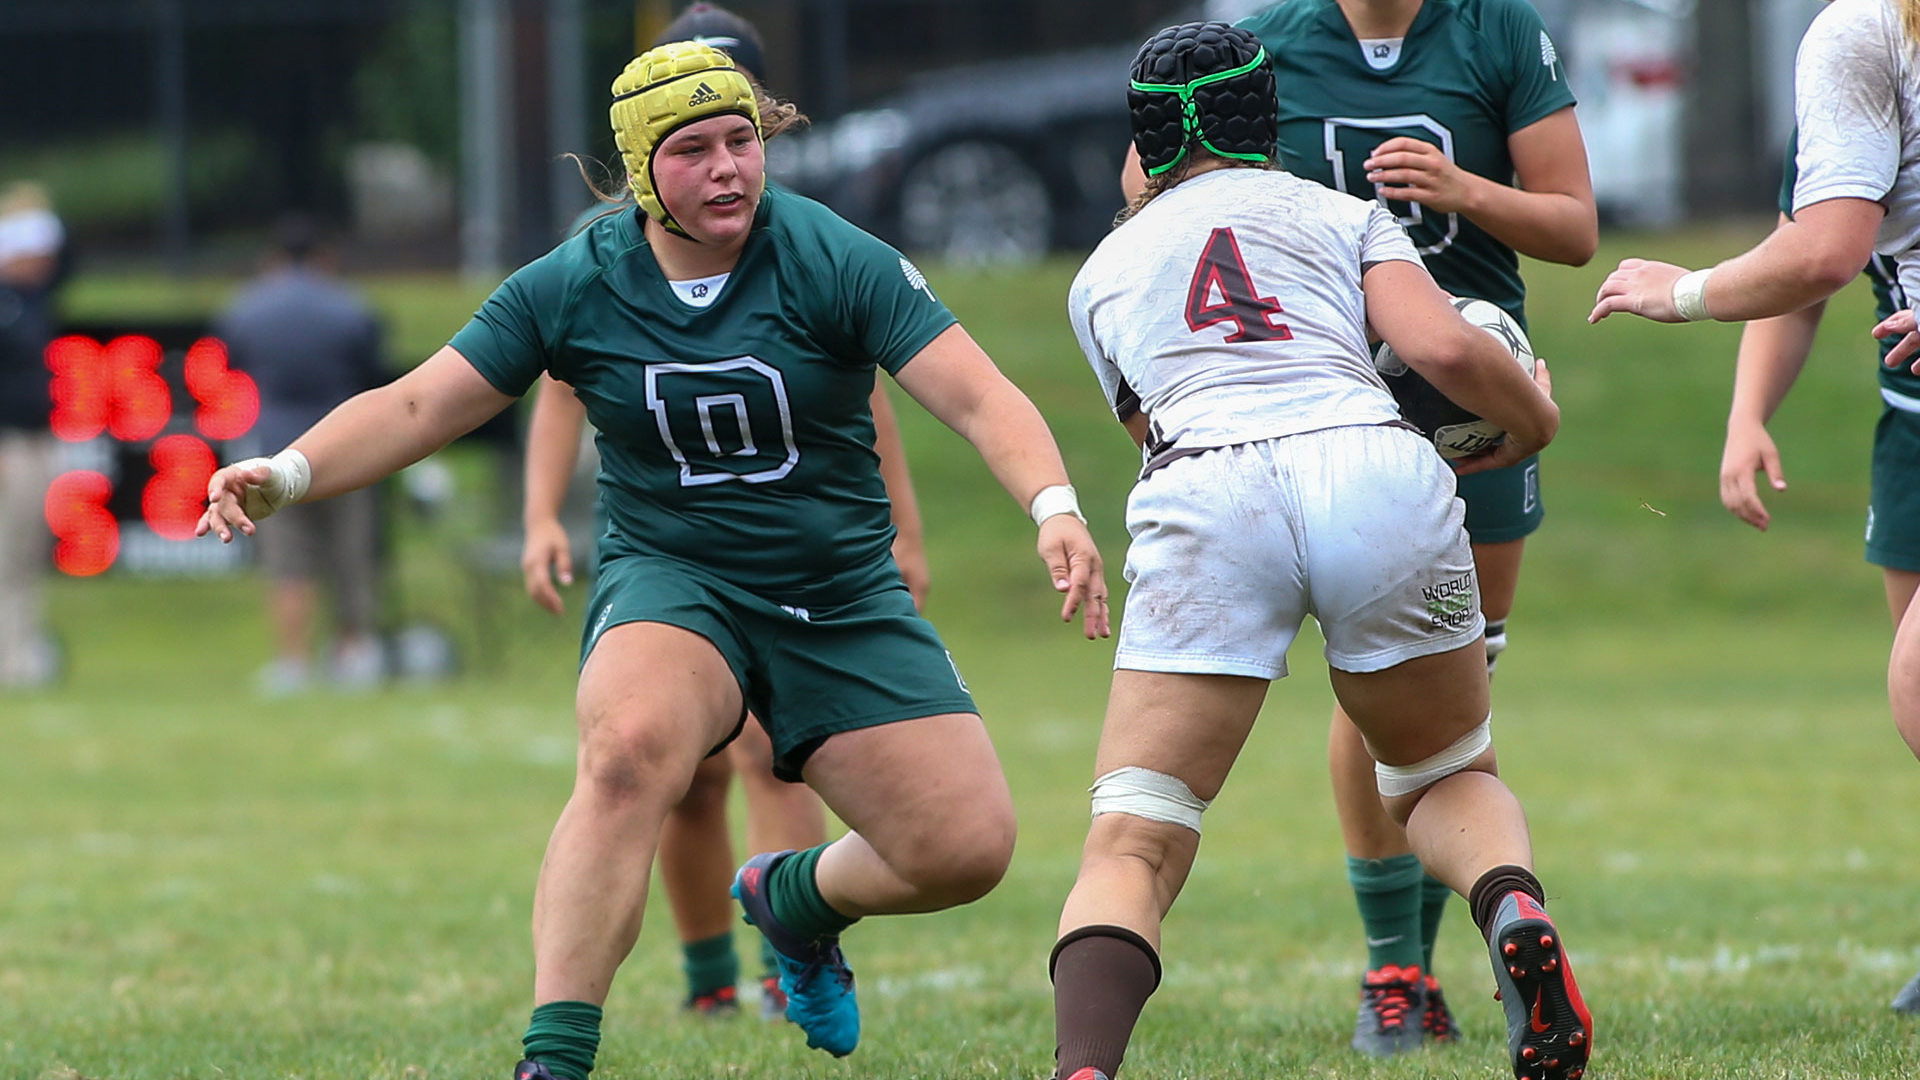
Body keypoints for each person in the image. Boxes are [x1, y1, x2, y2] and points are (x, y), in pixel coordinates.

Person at [197, 41, 1108, 1080]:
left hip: (836, 590)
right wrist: (291, 471)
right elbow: (419, 402)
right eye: (694, 150)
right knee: (627, 750)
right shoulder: (577, 280)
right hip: (675, 579)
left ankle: (794, 899)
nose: (728, 168)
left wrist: (1054, 507)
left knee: (966, 849)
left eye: (742, 142)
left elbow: (979, 395)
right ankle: (555, 1058)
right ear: (641, 173)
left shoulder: (831, 255)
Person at [1051, 22, 1590, 1080]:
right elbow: (1438, 348)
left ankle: (1084, 1066)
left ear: (1146, 146)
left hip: (1208, 488)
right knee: (1441, 777)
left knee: (1137, 836)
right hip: (1372, 471)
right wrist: (1532, 424)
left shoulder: (1101, 273)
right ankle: (1512, 905)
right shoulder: (1345, 215)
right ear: (1270, 119)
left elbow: (1148, 428)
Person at [519, 2, 892, 1021]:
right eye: (689, 132)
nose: (723, 154)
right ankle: (707, 984)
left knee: (776, 754)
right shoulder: (610, 250)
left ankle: (784, 961)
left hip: (795, 548)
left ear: (765, 114)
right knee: (671, 773)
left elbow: (870, 387)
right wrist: (543, 515)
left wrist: (900, 525)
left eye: (738, 122)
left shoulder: (801, 233)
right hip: (671, 542)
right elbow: (548, 378)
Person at [1594, 0, 1920, 1014]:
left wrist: (1682, 292)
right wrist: (1746, 415)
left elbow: (1820, 257)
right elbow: (1812, 247)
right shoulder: (1868, 38)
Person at [217, 216, 388, 695]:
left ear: (271, 259)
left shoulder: (247, 307)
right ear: (324, 257)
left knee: (287, 560)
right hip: (348, 445)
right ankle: (354, 651)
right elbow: (373, 371)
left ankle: (293, 661)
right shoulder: (349, 307)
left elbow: (233, 360)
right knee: (351, 553)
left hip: (273, 446)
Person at [0, 182, 68, 689]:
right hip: (9, 445)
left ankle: (23, 650)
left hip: (34, 442)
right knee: (6, 555)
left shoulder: (32, 300)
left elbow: (73, 262)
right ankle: (11, 656)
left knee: (24, 555)